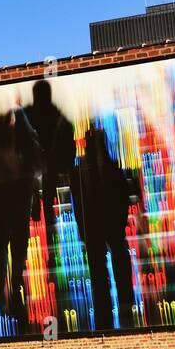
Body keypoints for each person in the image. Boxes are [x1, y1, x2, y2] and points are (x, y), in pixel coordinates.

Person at [71, 121, 138, 330]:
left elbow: (78, 203)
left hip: (96, 226)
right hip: (108, 224)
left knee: (101, 267)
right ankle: (122, 303)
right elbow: (123, 195)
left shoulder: (81, 170)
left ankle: (106, 307)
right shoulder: (112, 166)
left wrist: (83, 229)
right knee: (116, 260)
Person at [0, 106, 41, 330]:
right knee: (15, 250)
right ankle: (13, 287)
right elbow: (30, 180)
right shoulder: (19, 157)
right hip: (15, 210)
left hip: (1, 214)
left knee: (2, 251)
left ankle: (7, 289)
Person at [24, 79, 76, 262]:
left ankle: (36, 205)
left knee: (39, 193)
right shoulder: (56, 114)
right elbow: (68, 132)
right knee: (48, 201)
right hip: (52, 163)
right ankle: (52, 244)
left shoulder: (29, 113)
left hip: (36, 163)